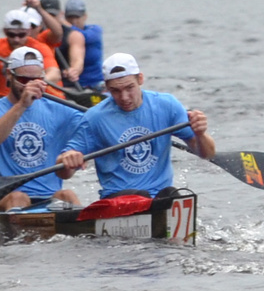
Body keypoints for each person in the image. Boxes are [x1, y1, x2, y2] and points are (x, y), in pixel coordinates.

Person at [55, 53, 213, 203]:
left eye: (129, 88)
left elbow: (207, 154)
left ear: (140, 79)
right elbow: (63, 173)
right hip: (118, 199)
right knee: (140, 196)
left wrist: (200, 134)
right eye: (115, 91)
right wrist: (68, 158)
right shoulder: (94, 118)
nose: (124, 97)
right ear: (107, 88)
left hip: (160, 195)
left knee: (173, 195)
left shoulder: (167, 105)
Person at [0, 46, 86, 211]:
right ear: (9, 75)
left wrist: (77, 153)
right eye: (24, 80)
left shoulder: (60, 109)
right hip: (7, 199)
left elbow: (92, 130)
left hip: (48, 199)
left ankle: (84, 231)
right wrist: (22, 105)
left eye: (36, 80)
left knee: (66, 195)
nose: (30, 86)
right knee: (19, 198)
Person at [0, 7, 59, 89]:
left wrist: (32, 83)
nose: (16, 39)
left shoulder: (39, 49)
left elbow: (54, 74)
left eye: (21, 34)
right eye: (11, 34)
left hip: (32, 96)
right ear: (4, 31)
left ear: (29, 31)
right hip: (4, 99)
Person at [61, 0, 103, 87]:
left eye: (77, 17)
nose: (73, 21)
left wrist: (61, 22)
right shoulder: (62, 34)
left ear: (85, 16)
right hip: (74, 84)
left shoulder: (95, 30)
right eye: (70, 17)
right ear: (65, 17)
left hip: (96, 82)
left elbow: (83, 36)